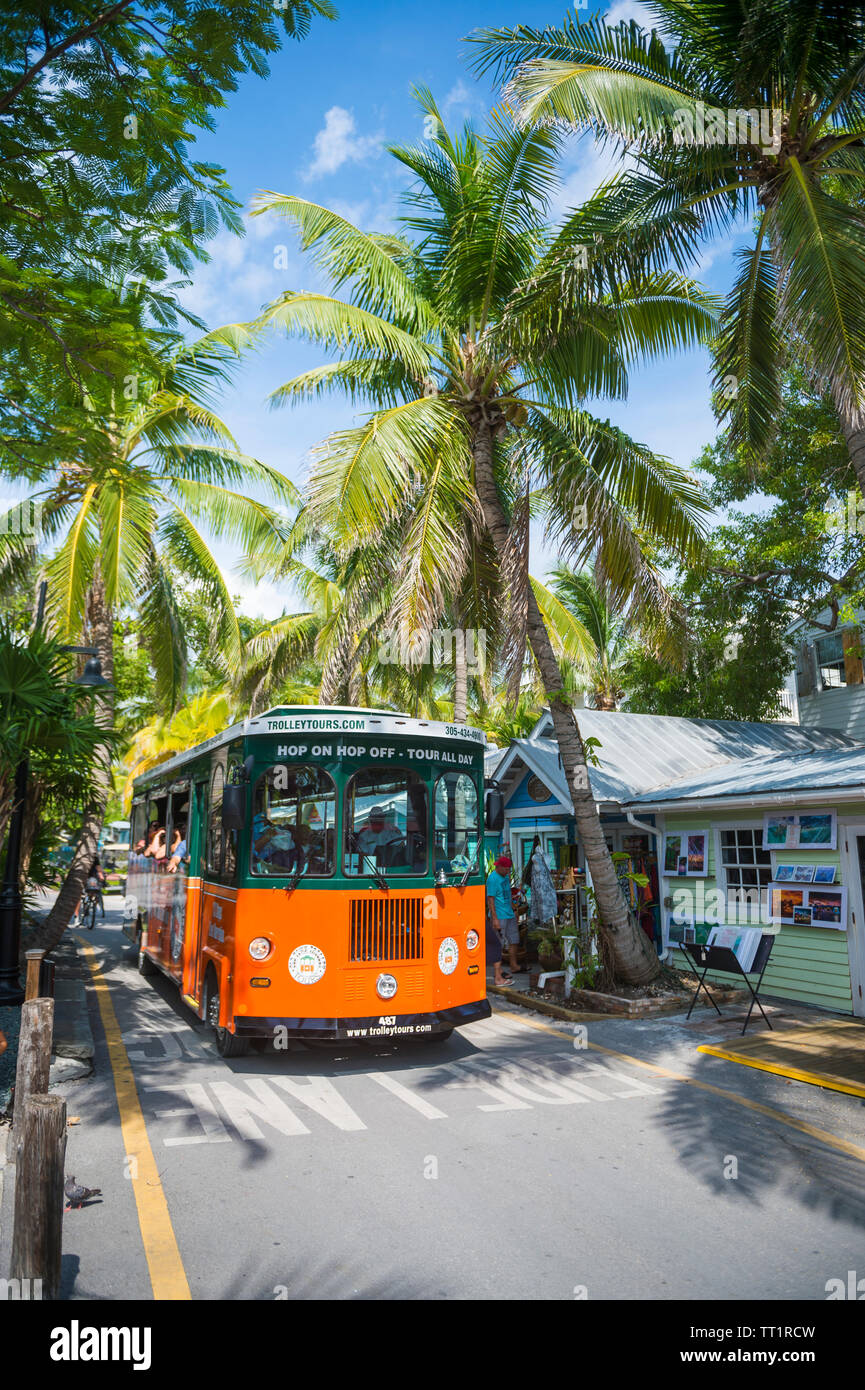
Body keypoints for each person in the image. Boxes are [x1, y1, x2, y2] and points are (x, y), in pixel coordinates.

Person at [486, 854, 517, 984]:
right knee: (497, 945)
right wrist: (495, 918)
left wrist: (513, 908)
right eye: (507, 869)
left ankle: (513, 965)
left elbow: (507, 894)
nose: (509, 871)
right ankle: (498, 976)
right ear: (500, 867)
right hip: (499, 916)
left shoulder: (505, 877)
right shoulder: (493, 879)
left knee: (514, 940)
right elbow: (490, 899)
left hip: (509, 914)